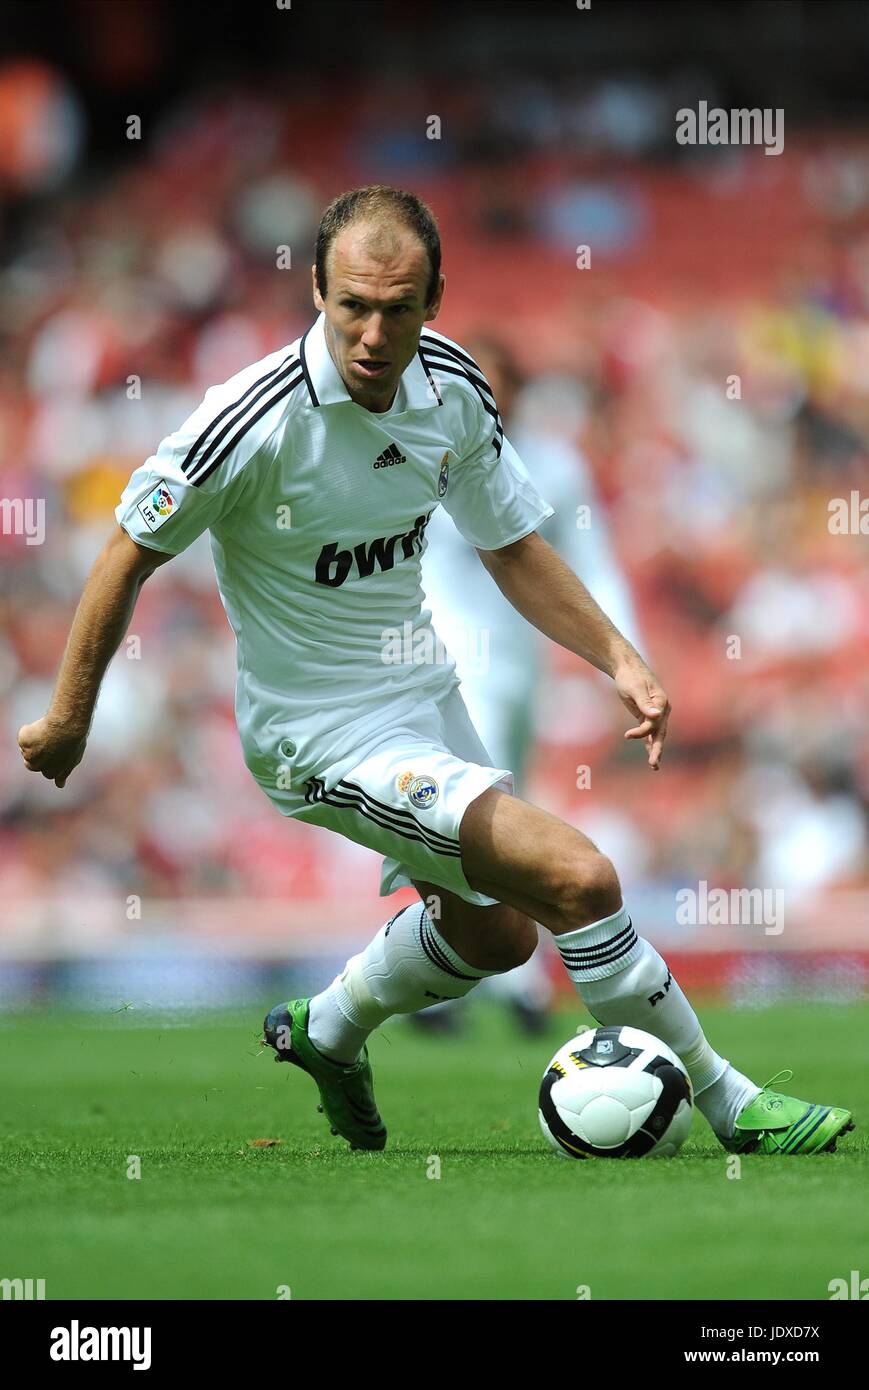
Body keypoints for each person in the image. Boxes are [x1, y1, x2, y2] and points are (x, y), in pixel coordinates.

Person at [19, 185, 853, 1157]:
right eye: (351, 307)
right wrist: (68, 717)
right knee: (579, 878)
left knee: (497, 937)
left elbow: (510, 544)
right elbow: (128, 548)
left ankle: (326, 1030)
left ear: (436, 299)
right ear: (318, 294)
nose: (373, 334)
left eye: (398, 308)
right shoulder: (247, 420)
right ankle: (726, 1100)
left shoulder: (452, 387)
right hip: (316, 735)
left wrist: (617, 658)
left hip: (423, 697)